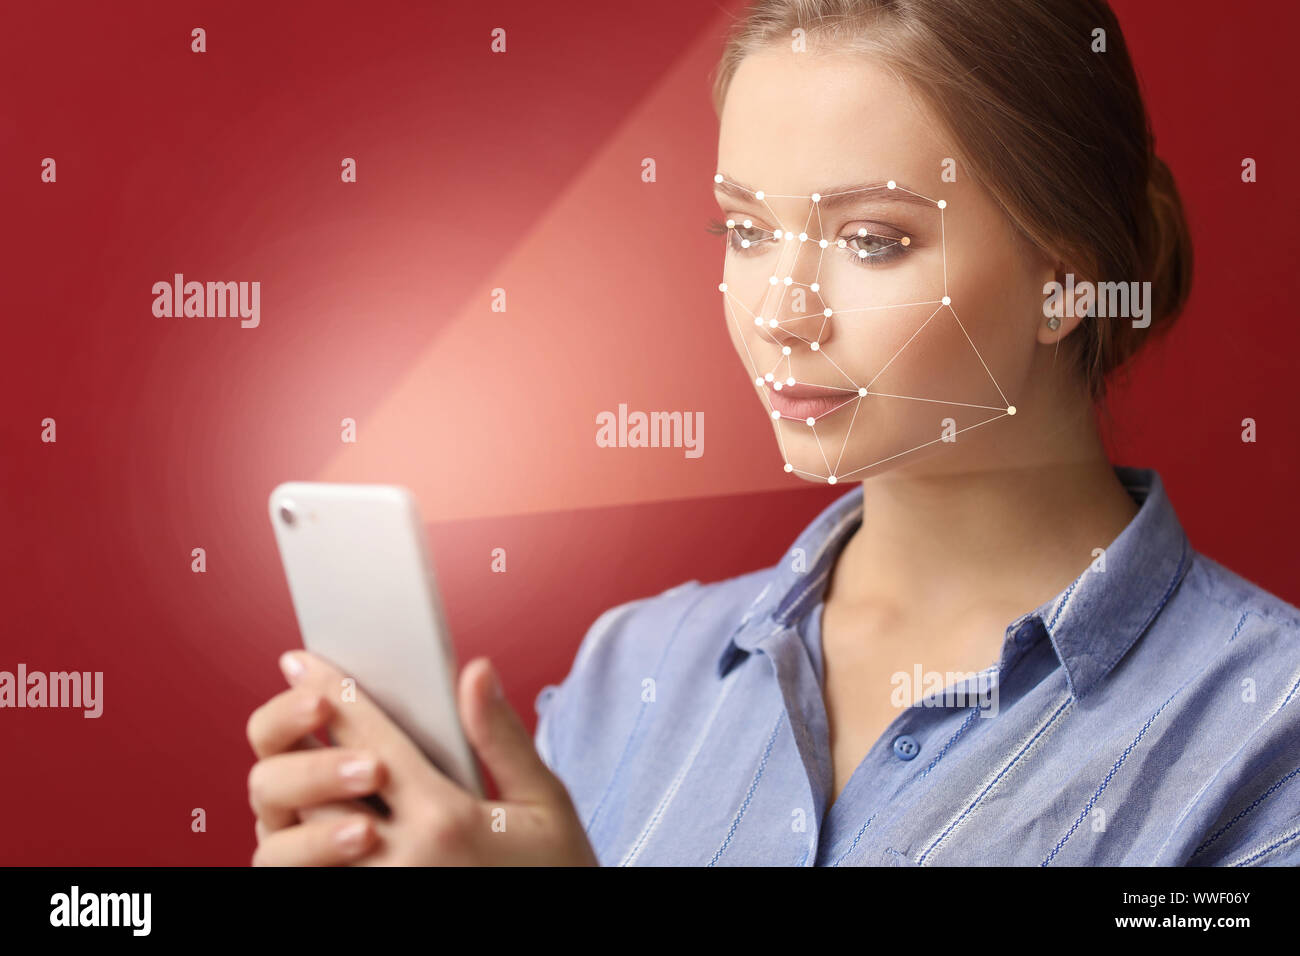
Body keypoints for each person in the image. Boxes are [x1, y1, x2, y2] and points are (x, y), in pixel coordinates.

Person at [245, 0, 1300, 865]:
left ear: (1066, 279)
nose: (778, 311)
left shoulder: (1265, 730)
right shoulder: (631, 669)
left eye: (872, 240)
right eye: (746, 231)